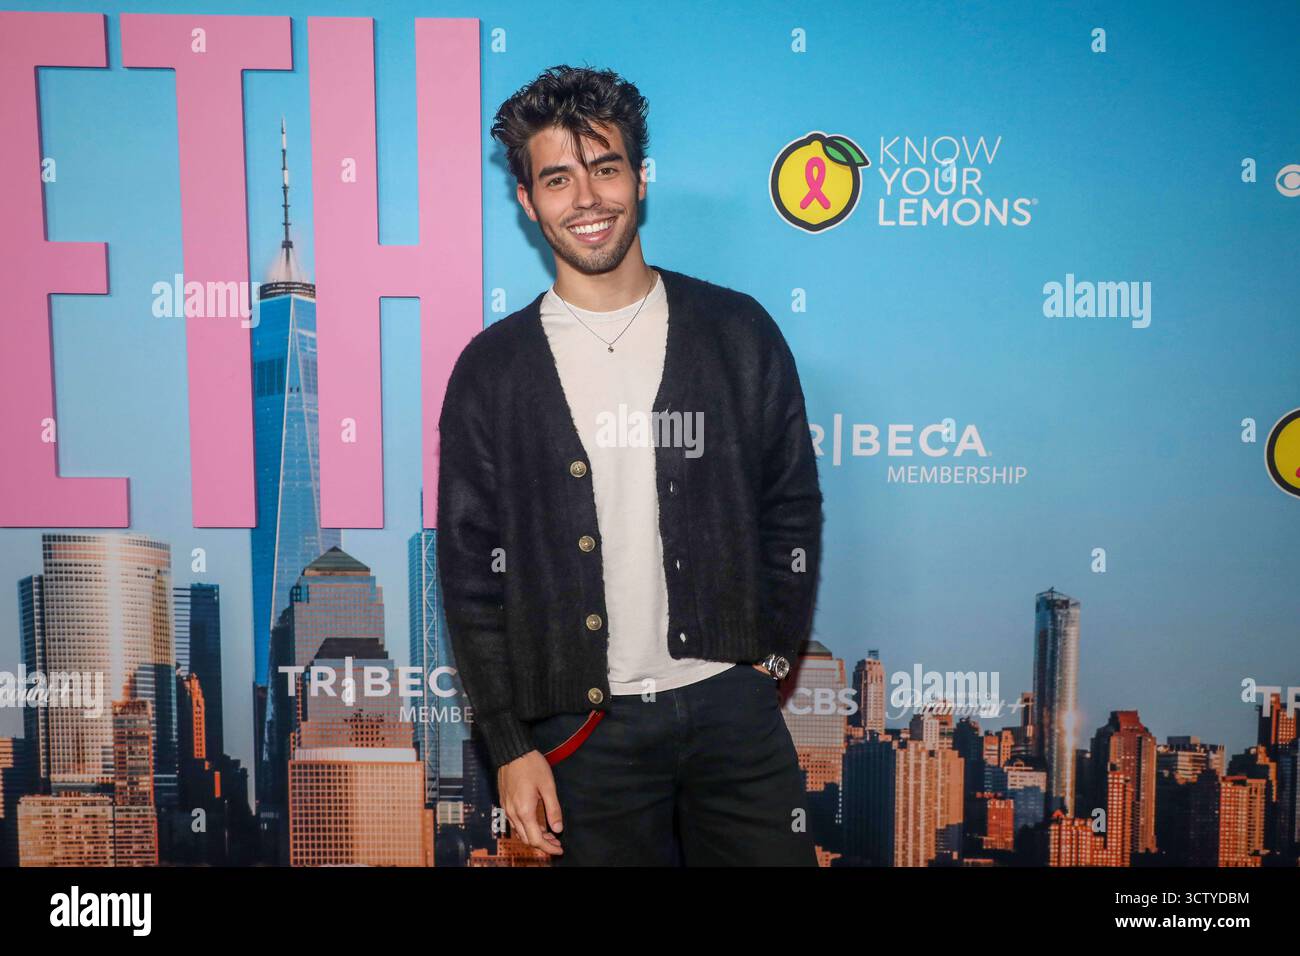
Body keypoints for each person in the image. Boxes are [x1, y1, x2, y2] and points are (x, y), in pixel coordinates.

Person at [437, 64, 823, 865]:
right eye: (557, 179)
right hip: (585, 739)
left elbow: (791, 503)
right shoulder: (492, 370)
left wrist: (770, 665)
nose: (586, 199)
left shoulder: (735, 331)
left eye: (605, 168)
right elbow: (472, 575)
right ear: (527, 199)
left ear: (638, 180)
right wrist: (509, 744)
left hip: (733, 720)